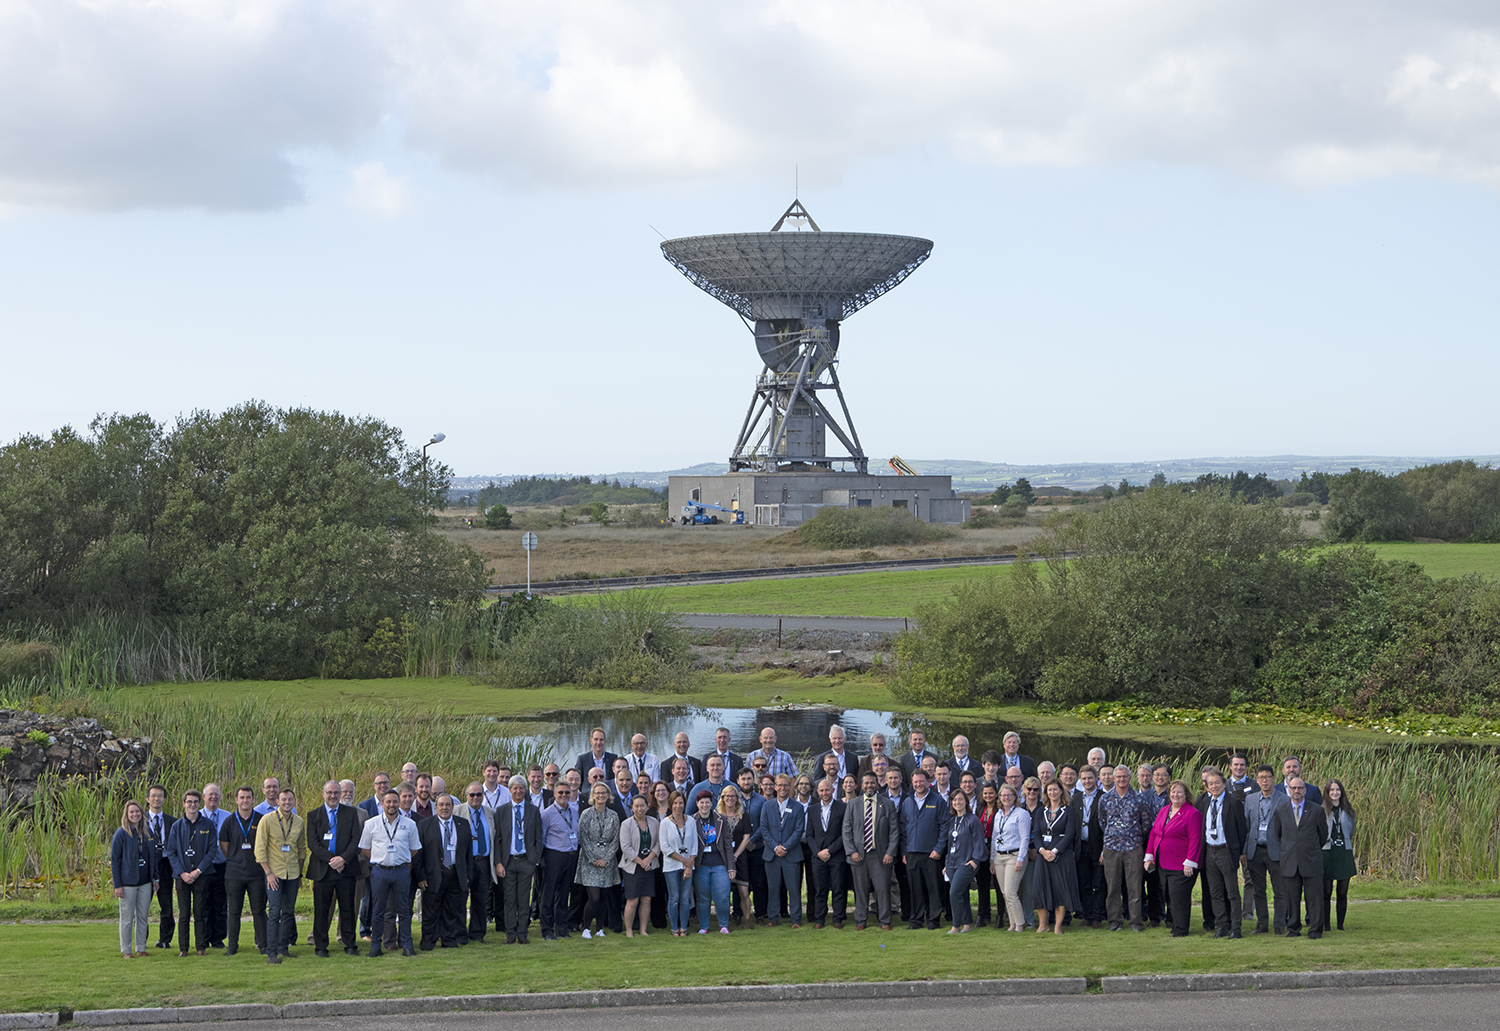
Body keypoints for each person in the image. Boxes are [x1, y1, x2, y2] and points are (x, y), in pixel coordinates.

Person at [359, 788, 421, 957]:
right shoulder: (371, 824)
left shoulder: (410, 824)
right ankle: (376, 946)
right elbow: (365, 848)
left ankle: (407, 944)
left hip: (401, 871)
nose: (392, 805)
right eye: (389, 802)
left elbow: (414, 849)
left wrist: (401, 858)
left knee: (404, 910)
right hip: (380, 871)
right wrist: (381, 857)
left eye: (395, 801)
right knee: (378, 910)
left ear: (399, 803)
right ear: (383, 803)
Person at [305, 780, 361, 957]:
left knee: (348, 910)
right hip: (323, 870)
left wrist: (343, 859)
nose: (333, 796)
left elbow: (356, 840)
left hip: (346, 869)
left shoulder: (351, 813)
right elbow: (313, 843)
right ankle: (321, 946)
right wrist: (333, 860)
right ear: (323, 794)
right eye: (329, 792)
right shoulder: (313, 815)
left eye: (336, 792)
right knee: (321, 910)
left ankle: (350, 944)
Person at [1099, 763, 1155, 932]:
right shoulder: (1105, 798)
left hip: (1133, 847)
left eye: (1125, 776)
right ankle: (1115, 921)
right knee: (1113, 887)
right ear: (1114, 778)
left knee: (1134, 886)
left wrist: (1134, 837)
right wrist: (1114, 835)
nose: (1122, 779)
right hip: (1112, 847)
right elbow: (1103, 822)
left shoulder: (1139, 799)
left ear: (1130, 778)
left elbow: (1146, 823)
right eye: (1119, 777)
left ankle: (1136, 922)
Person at [1145, 780, 1203, 937]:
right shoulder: (1164, 811)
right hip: (1163, 863)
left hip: (1182, 864)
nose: (1176, 795)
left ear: (1185, 795)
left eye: (1179, 792)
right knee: (1170, 896)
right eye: (1173, 792)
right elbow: (1154, 834)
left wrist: (1190, 861)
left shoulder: (1192, 813)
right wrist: (1149, 856)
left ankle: (1181, 928)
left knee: (1179, 897)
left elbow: (1195, 839)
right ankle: (1175, 924)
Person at [256, 788, 307, 964]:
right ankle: (271, 952)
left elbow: (301, 850)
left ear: (294, 801)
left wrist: (299, 874)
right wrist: (268, 873)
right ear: (277, 801)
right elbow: (260, 849)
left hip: (292, 873)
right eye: (283, 799)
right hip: (274, 873)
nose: (287, 802)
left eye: (290, 799)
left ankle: (283, 948)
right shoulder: (267, 820)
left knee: (288, 912)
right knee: (274, 911)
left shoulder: (299, 822)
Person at [164, 788, 218, 957]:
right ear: (184, 804)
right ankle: (183, 948)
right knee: (184, 913)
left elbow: (211, 850)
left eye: (195, 802)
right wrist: (182, 873)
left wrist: (198, 871)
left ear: (199, 803)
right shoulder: (176, 826)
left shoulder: (208, 825)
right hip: (182, 877)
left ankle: (201, 947)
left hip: (201, 875)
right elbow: (171, 851)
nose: (192, 805)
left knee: (200, 912)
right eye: (189, 802)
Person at [1272, 777, 1328, 938]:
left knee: (1314, 899)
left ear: (1305, 790)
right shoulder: (1281, 810)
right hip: (1290, 861)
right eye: (1294, 788)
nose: (1297, 791)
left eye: (1300, 788)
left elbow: (1322, 835)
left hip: (1311, 860)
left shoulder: (1317, 810)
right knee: (1292, 898)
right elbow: (1279, 834)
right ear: (1288, 789)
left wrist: (1308, 848)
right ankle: (1293, 929)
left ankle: (1315, 930)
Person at [843, 771, 899, 930]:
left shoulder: (887, 804)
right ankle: (860, 921)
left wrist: (890, 852)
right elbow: (846, 831)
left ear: (877, 784)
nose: (869, 785)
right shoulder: (853, 804)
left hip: (880, 855)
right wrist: (852, 851)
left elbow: (894, 831)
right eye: (866, 783)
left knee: (883, 890)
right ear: (861, 786)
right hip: (858, 855)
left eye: (872, 783)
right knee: (860, 890)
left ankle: (885, 921)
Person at [1196, 769, 1246, 938]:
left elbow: (1242, 829)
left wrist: (1240, 852)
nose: (1214, 786)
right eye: (1211, 784)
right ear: (1207, 786)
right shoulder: (1203, 802)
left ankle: (1236, 928)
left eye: (1217, 783)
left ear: (1224, 784)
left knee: (1232, 892)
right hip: (1210, 851)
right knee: (1214, 892)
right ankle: (1221, 926)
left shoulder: (1233, 802)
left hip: (1226, 851)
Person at [1241, 764, 1291, 935]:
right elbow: (1246, 827)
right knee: (1258, 890)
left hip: (1276, 851)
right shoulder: (1250, 799)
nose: (1264, 780)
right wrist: (1244, 851)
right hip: (1255, 850)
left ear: (1273, 779)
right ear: (1257, 780)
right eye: (1261, 777)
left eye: (1267, 777)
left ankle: (1279, 925)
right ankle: (1262, 924)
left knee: (1280, 890)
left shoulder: (1284, 799)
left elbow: (1288, 828)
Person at [494, 774, 542, 944]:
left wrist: (534, 860)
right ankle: (510, 934)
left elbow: (538, 838)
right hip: (507, 862)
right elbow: (497, 840)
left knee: (523, 899)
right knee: (509, 900)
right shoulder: (501, 811)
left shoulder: (533, 810)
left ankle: (522, 934)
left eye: (521, 788)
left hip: (526, 861)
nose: (518, 791)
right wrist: (498, 862)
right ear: (510, 790)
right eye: (515, 788)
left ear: (525, 790)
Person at [219, 786, 266, 955]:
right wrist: (235, 858)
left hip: (257, 874)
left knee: (259, 911)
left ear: (253, 799)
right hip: (234, 874)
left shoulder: (262, 819)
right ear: (236, 800)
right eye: (242, 798)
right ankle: (232, 947)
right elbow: (224, 846)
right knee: (234, 911)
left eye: (248, 797)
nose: (245, 800)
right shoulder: (229, 821)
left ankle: (263, 945)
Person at [900, 769, 949, 930]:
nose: (918, 784)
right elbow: (903, 829)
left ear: (928, 782)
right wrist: (904, 851)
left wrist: (939, 848)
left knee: (933, 887)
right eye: (915, 782)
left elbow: (944, 827)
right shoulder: (907, 801)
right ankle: (916, 920)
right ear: (912, 783)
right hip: (912, 853)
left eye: (921, 781)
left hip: (931, 853)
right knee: (915, 888)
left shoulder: (938, 801)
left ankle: (933, 920)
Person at [1031, 780, 1081, 934]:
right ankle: (1043, 924)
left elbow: (1069, 834)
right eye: (1049, 790)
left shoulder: (1069, 811)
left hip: (1061, 856)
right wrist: (1042, 851)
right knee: (1040, 889)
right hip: (1043, 856)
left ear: (1061, 791)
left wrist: (1055, 851)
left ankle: (1058, 926)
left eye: (1055, 789)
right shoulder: (1041, 811)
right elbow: (1037, 833)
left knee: (1061, 890)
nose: (1052, 792)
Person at [112, 799, 158, 958]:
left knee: (143, 917)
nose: (135, 814)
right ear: (126, 814)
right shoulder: (121, 834)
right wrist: (117, 885)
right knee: (126, 919)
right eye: (131, 812)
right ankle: (126, 950)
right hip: (127, 884)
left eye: (137, 811)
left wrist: (155, 878)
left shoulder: (148, 833)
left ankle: (141, 948)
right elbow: (115, 860)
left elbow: (153, 857)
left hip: (145, 882)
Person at [575, 782, 621, 939]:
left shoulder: (614, 816)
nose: (601, 795)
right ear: (592, 795)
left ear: (608, 795)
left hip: (608, 861)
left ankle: (599, 928)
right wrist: (594, 858)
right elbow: (583, 838)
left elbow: (616, 840)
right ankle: (586, 927)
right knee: (594, 897)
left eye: (604, 793)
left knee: (603, 896)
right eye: (598, 793)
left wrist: (606, 858)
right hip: (590, 861)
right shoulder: (586, 814)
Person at [759, 773, 805, 926]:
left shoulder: (797, 807)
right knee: (773, 889)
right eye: (780, 785)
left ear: (790, 786)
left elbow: (799, 830)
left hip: (791, 854)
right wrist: (775, 847)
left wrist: (784, 847)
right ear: (775, 787)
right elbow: (764, 829)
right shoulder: (767, 806)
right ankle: (773, 918)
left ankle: (796, 919)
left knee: (793, 889)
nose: (783, 788)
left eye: (786, 785)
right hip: (772, 855)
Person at [538, 784, 579, 941]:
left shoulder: (574, 812)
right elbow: (541, 837)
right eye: (560, 792)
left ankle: (562, 928)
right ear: (554, 793)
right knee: (548, 894)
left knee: (563, 894)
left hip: (570, 856)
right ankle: (547, 930)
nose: (564, 794)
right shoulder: (547, 814)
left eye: (566, 792)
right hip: (553, 856)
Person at [806, 777, 847, 929]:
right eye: (821, 790)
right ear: (817, 792)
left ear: (833, 790)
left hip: (836, 855)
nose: (824, 793)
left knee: (838, 888)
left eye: (827, 790)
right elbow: (809, 835)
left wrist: (830, 850)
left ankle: (837, 918)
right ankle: (819, 919)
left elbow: (844, 833)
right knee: (819, 889)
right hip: (818, 857)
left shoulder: (842, 807)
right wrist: (818, 852)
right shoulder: (812, 809)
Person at [693, 789, 736, 933]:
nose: (705, 805)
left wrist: (731, 867)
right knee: (703, 898)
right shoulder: (692, 821)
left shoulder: (720, 819)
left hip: (719, 864)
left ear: (712, 803)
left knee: (722, 897)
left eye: (707, 802)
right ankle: (704, 927)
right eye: (702, 802)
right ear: (697, 804)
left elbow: (727, 845)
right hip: (701, 865)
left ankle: (723, 925)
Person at [456, 782, 495, 944]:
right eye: (472, 795)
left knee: (480, 900)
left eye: (479, 794)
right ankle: (459, 934)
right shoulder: (456, 811)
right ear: (466, 796)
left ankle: (478, 934)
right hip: (465, 862)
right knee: (460, 898)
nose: (475, 798)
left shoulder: (490, 813)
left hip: (483, 862)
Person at [944, 790, 986, 934]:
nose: (957, 802)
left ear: (966, 801)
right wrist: (946, 864)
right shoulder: (952, 820)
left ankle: (956, 926)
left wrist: (976, 859)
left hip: (967, 863)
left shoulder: (972, 819)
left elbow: (979, 841)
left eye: (960, 799)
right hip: (952, 863)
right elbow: (950, 844)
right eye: (954, 800)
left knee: (954, 893)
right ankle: (967, 924)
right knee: (962, 894)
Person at [990, 784, 1030, 932]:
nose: (1006, 798)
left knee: (1011, 891)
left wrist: (1020, 858)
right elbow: (995, 837)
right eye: (1003, 795)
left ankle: (1019, 924)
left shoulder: (1021, 814)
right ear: (999, 797)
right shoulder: (999, 814)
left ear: (1015, 797)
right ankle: (1012, 923)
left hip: (1014, 855)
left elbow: (1025, 838)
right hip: (999, 857)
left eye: (1009, 795)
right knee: (1005, 892)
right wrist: (992, 859)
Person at [618, 794, 659, 937]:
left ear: (647, 806)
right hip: (633, 866)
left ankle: (643, 929)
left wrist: (649, 859)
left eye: (642, 805)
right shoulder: (626, 824)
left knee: (647, 899)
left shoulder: (654, 822)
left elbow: (658, 843)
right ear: (632, 807)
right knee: (633, 899)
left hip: (650, 864)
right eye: (636, 806)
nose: (639, 809)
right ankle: (629, 930)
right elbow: (625, 847)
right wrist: (641, 861)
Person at [143, 784, 175, 949]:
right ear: (148, 799)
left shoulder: (172, 822)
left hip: (165, 866)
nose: (157, 798)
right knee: (142, 906)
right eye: (153, 795)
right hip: (145, 866)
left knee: (166, 904)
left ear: (164, 799)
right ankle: (142, 939)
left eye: (160, 796)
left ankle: (165, 939)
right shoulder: (138, 820)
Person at [659, 791, 696, 936]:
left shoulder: (691, 821)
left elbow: (694, 846)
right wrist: (685, 861)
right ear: (670, 804)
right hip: (671, 866)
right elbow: (665, 847)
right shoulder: (665, 823)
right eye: (675, 803)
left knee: (685, 898)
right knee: (674, 898)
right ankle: (674, 928)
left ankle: (684, 929)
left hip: (687, 866)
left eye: (681, 803)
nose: (678, 806)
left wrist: (688, 865)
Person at [198, 784, 230, 950]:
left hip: (222, 865)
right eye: (210, 795)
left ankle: (218, 939)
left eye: (216, 795)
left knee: (220, 904)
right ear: (204, 797)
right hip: (203, 867)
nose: (213, 798)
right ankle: (203, 938)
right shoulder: (197, 817)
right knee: (204, 904)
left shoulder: (227, 816)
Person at [1321, 779, 1356, 931]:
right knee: (1326, 891)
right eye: (1332, 790)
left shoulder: (1349, 811)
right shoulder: (1321, 810)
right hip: (1327, 853)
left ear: (1341, 792)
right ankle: (1326, 924)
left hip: (1344, 853)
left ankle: (1340, 925)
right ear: (1327, 793)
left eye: (1338, 790)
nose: (1335, 793)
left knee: (1342, 891)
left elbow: (1352, 831)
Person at [720, 786, 756, 928]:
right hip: (722, 858)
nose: (730, 798)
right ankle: (725, 920)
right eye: (727, 796)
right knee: (723, 893)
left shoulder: (744, 815)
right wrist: (727, 856)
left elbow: (747, 837)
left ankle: (747, 919)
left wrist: (735, 855)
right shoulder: (717, 816)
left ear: (737, 798)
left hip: (739, 857)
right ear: (723, 798)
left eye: (733, 796)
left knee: (744, 891)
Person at [1017, 776, 1042, 929]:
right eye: (1029, 789)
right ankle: (1030, 919)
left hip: (1041, 852)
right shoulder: (1018, 808)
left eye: (1035, 789)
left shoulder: (1045, 808)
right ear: (1024, 790)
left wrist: (1038, 850)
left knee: (1042, 886)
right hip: (1023, 852)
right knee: (1028, 888)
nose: (1032, 792)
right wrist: (1027, 850)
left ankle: (1047, 917)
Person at [975, 783, 999, 927]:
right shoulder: (979, 808)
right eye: (985, 793)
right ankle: (983, 915)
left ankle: (1001, 915)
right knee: (982, 885)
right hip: (981, 849)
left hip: (995, 848)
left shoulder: (1000, 809)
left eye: (991, 793)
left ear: (996, 794)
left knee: (997, 885)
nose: (988, 796)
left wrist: (991, 848)